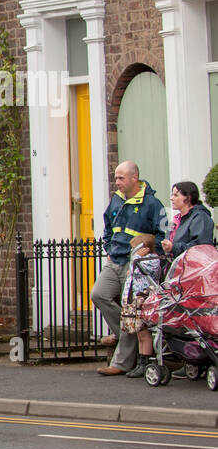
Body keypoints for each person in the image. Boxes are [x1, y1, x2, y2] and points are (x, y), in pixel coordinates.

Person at [92, 161, 166, 375]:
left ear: (135, 178)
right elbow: (107, 229)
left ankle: (121, 363)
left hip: (135, 265)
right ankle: (125, 332)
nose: (117, 182)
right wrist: (108, 246)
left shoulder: (152, 204)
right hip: (114, 260)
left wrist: (150, 249)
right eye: (116, 177)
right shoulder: (115, 201)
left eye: (121, 178)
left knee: (129, 311)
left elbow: (162, 234)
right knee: (98, 294)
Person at [120, 234, 166, 378]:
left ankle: (145, 363)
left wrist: (136, 258)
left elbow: (141, 269)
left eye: (135, 249)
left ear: (145, 248)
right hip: (134, 300)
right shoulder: (137, 261)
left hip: (144, 300)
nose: (133, 252)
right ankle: (141, 363)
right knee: (139, 334)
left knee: (145, 334)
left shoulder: (151, 260)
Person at [161, 181, 215, 258]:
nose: (171, 198)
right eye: (172, 195)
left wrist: (173, 248)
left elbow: (200, 247)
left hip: (193, 267)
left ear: (188, 198)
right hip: (176, 266)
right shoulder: (176, 219)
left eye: (176, 195)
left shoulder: (200, 217)